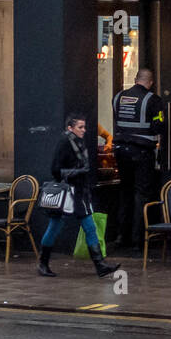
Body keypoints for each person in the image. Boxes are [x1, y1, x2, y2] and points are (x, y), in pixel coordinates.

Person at [37, 112, 121, 278]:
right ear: (70, 128)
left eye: (84, 126)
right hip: (68, 193)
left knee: (89, 227)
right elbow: (55, 170)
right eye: (80, 127)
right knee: (55, 227)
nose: (84, 130)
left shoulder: (78, 142)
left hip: (80, 192)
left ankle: (100, 265)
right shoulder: (64, 143)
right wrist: (77, 172)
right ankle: (43, 263)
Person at [110, 68, 166, 251]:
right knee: (141, 194)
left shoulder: (118, 97)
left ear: (135, 79)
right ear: (150, 83)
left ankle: (121, 236)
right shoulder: (153, 100)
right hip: (142, 153)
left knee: (124, 192)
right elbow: (159, 125)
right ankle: (138, 239)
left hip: (120, 151)